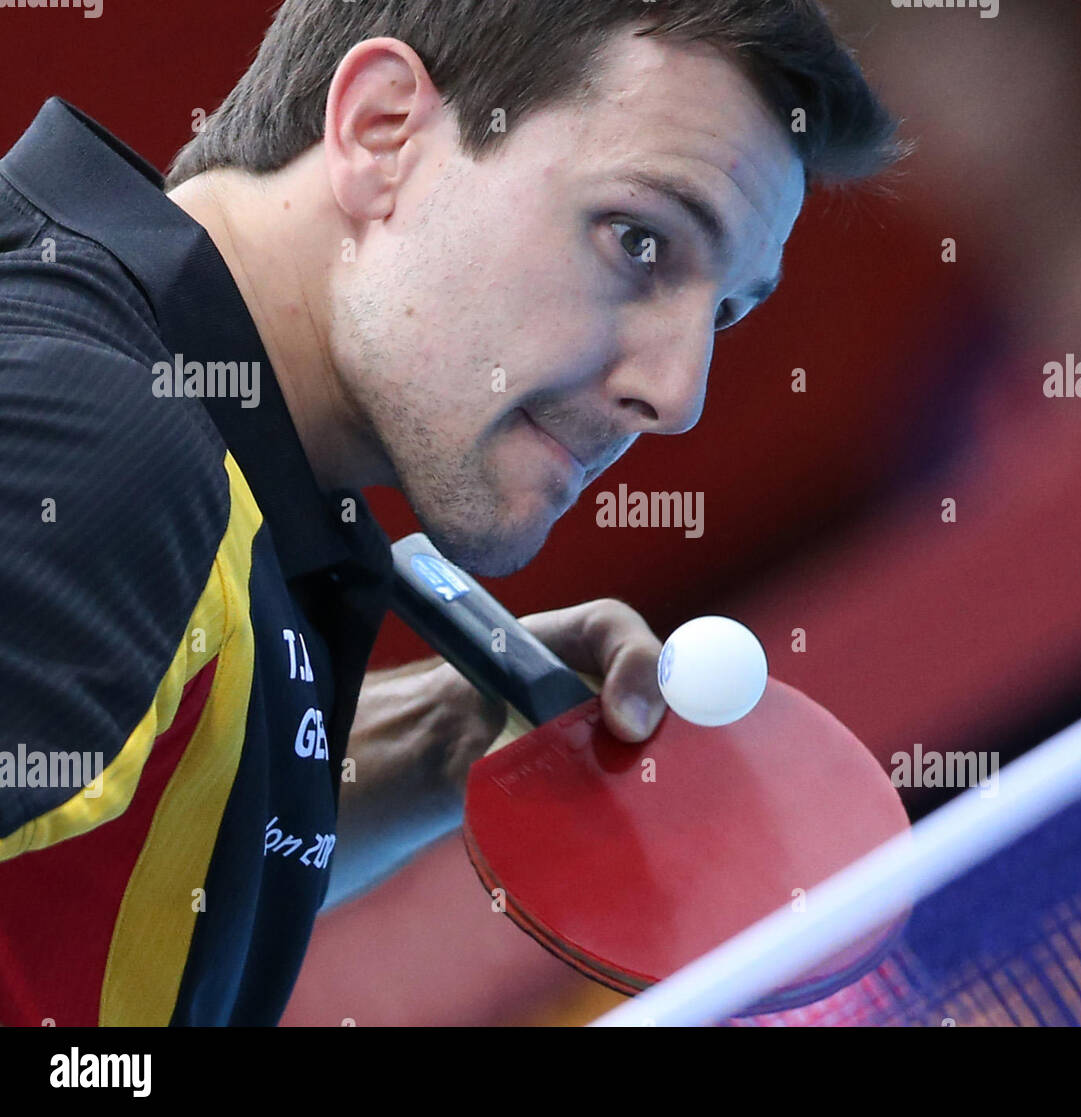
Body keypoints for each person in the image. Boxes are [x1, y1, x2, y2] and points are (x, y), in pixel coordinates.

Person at [0, 0, 901, 1025]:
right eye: (640, 241)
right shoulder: (89, 443)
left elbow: (93, 863)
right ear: (382, 132)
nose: (678, 394)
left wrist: (441, 737)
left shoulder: (199, 462)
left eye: (724, 312)